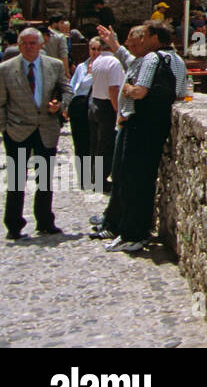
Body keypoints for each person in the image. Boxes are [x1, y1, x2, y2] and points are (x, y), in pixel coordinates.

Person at [104, 23, 186, 252]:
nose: (141, 42)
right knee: (145, 180)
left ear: (153, 37)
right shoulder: (177, 60)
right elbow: (181, 94)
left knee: (131, 180)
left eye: (144, 37)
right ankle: (135, 231)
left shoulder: (152, 58)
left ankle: (132, 234)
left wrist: (127, 90)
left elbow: (140, 90)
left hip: (140, 125)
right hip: (159, 126)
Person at [1, 28, 68, 239]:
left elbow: (67, 90)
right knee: (16, 179)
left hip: (46, 129)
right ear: (19, 45)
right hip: (17, 130)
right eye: (24, 43)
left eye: (32, 43)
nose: (28, 47)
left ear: (41, 45)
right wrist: (5, 129)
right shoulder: (5, 69)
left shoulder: (54, 66)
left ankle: (45, 221)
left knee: (45, 179)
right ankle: (13, 224)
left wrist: (60, 105)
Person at [88, 26, 126, 198]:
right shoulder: (114, 62)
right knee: (106, 145)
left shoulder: (97, 61)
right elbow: (113, 89)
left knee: (97, 144)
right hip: (106, 106)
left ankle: (96, 177)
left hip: (95, 103)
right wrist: (117, 111)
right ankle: (101, 180)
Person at [65, 37, 102, 191]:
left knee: (94, 143)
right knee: (79, 143)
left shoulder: (104, 67)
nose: (95, 52)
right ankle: (83, 178)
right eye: (92, 49)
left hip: (93, 107)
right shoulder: (81, 66)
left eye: (98, 49)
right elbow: (73, 86)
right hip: (78, 107)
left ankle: (96, 178)